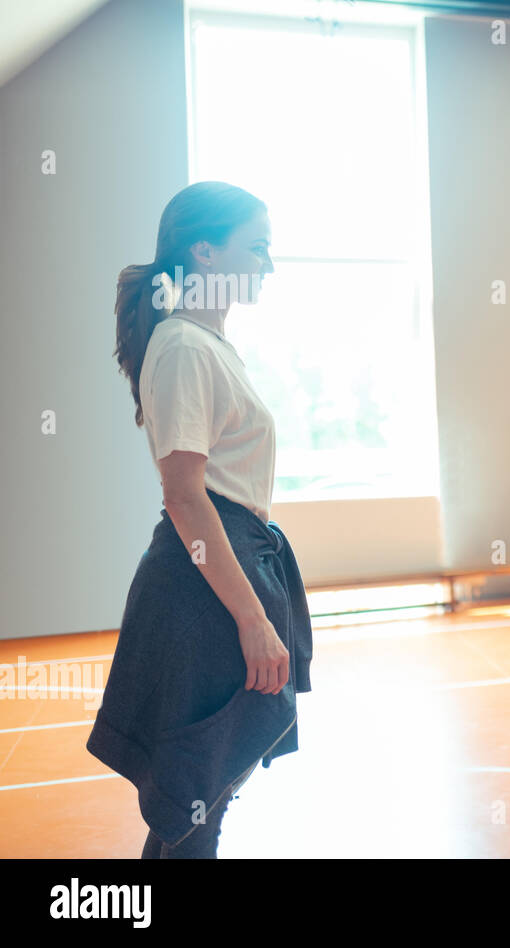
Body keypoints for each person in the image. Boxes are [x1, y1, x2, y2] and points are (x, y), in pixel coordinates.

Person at [90, 180, 312, 858]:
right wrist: (253, 621)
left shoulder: (205, 344)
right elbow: (186, 497)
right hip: (203, 587)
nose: (269, 266)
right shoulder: (185, 345)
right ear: (206, 254)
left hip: (227, 565)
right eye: (259, 249)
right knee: (193, 807)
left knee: (200, 804)